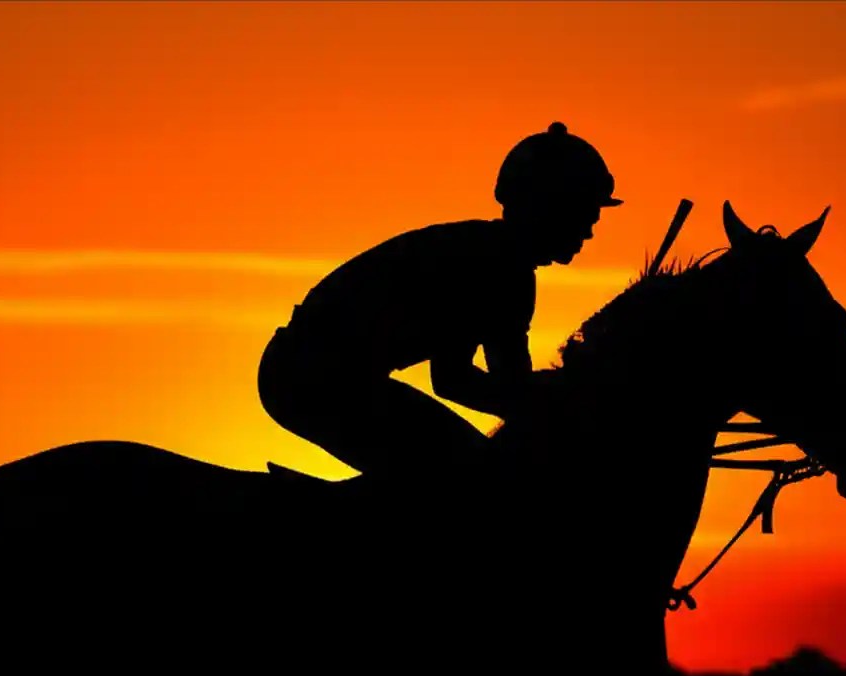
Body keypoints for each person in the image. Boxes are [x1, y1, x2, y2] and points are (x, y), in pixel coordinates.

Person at [259, 121, 621, 480]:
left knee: (463, 466)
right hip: (316, 378)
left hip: (313, 374)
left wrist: (547, 397)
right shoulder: (494, 266)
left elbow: (486, 382)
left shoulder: (493, 257)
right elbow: (475, 383)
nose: (589, 231)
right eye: (584, 214)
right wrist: (563, 403)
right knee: (470, 477)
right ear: (549, 208)